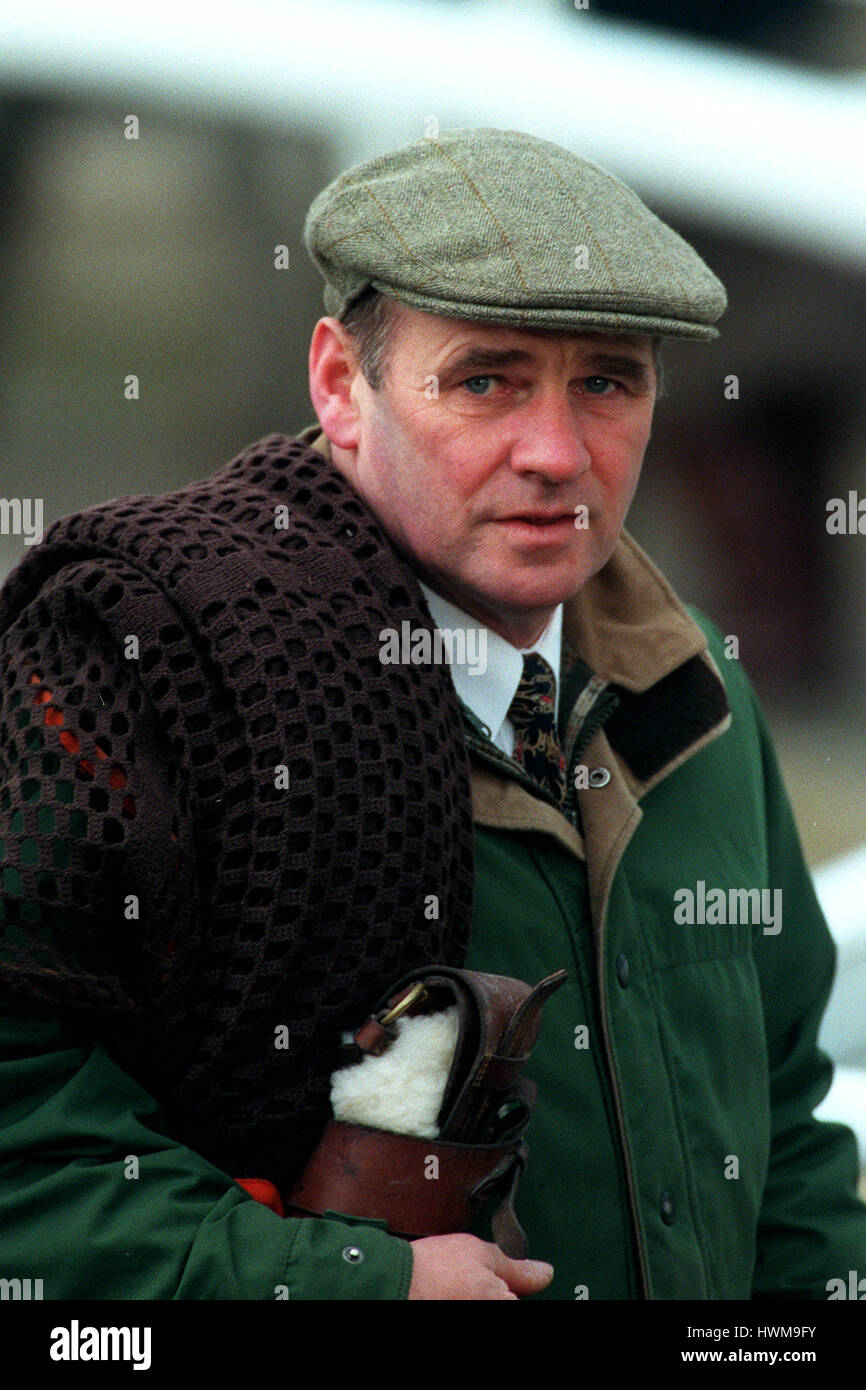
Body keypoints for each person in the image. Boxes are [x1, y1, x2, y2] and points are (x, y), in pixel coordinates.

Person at [0, 127, 864, 1301]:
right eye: (484, 381)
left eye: (606, 381)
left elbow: (781, 1127)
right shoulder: (143, 676)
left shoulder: (694, 687)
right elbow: (25, 1154)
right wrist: (351, 1284)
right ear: (338, 387)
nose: (556, 454)